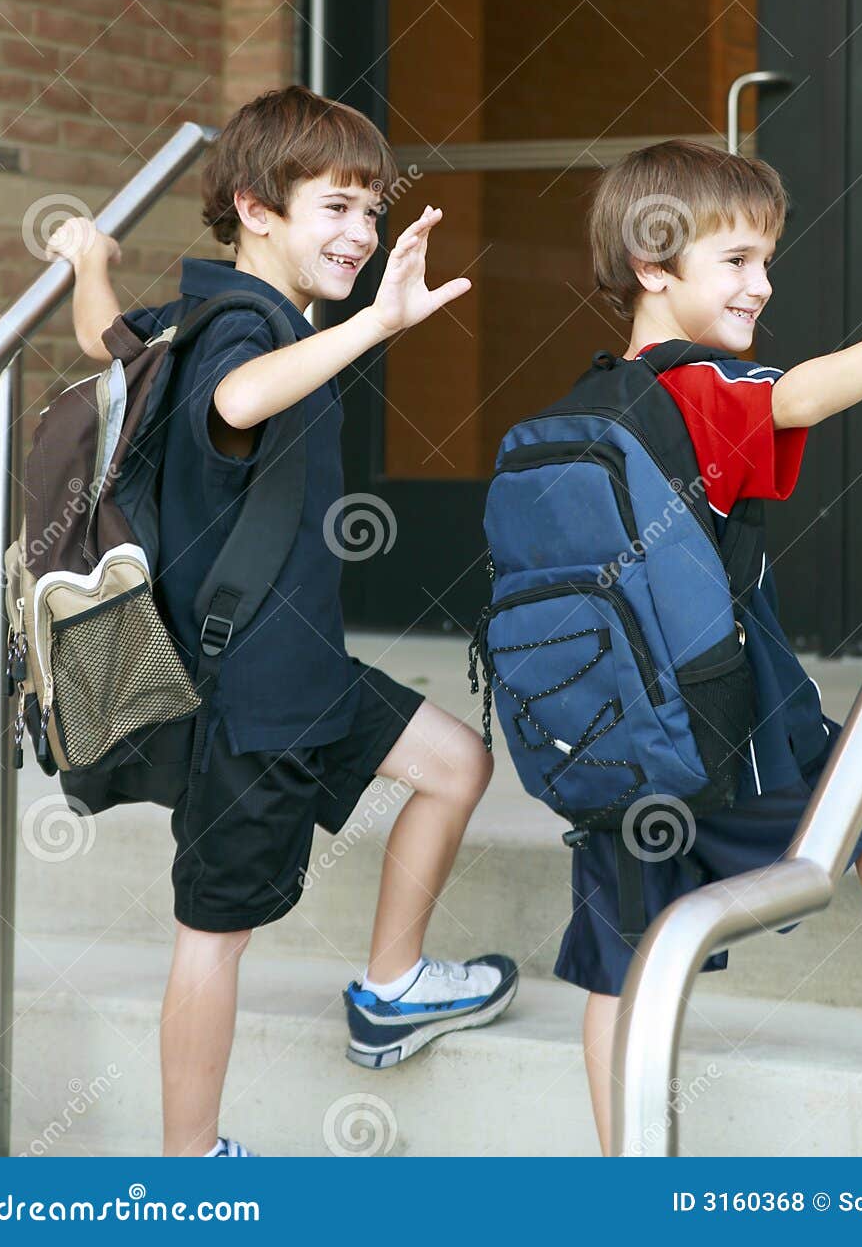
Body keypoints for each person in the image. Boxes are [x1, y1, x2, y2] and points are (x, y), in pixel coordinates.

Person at [47, 85, 517, 1157]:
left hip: (292, 665)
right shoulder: (247, 335)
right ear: (256, 208)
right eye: (336, 207)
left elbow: (104, 343)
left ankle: (392, 984)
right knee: (214, 934)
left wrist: (89, 262)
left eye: (371, 209)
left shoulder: (197, 314)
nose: (361, 231)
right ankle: (190, 1166)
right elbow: (238, 400)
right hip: (247, 704)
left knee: (451, 763)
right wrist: (376, 326)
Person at [555, 138, 862, 1156]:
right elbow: (797, 395)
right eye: (734, 261)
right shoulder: (698, 389)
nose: (759, 284)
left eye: (765, 261)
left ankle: (621, 1185)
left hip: (609, 727)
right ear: (652, 264)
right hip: (727, 708)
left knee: (618, 961)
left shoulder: (589, 402)